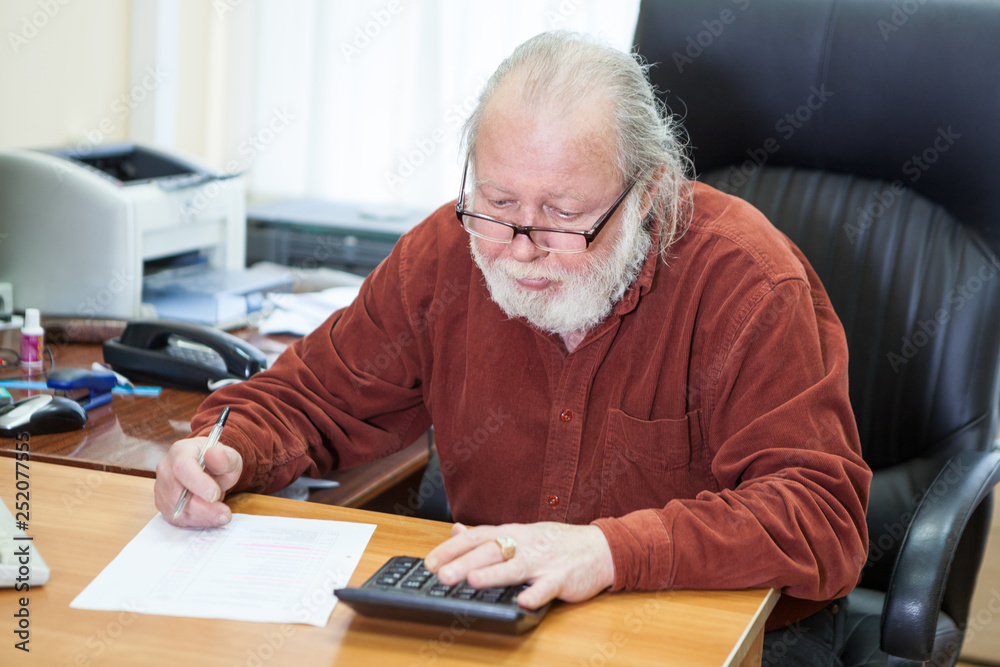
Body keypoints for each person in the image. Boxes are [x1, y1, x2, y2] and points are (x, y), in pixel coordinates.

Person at [155, 31, 870, 663]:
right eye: (497, 203)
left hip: (719, 634)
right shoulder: (445, 254)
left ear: (648, 191)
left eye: (563, 214)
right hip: (498, 622)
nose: (522, 249)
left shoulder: (747, 283)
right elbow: (307, 396)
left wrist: (607, 549)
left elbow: (819, 515)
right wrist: (225, 450)